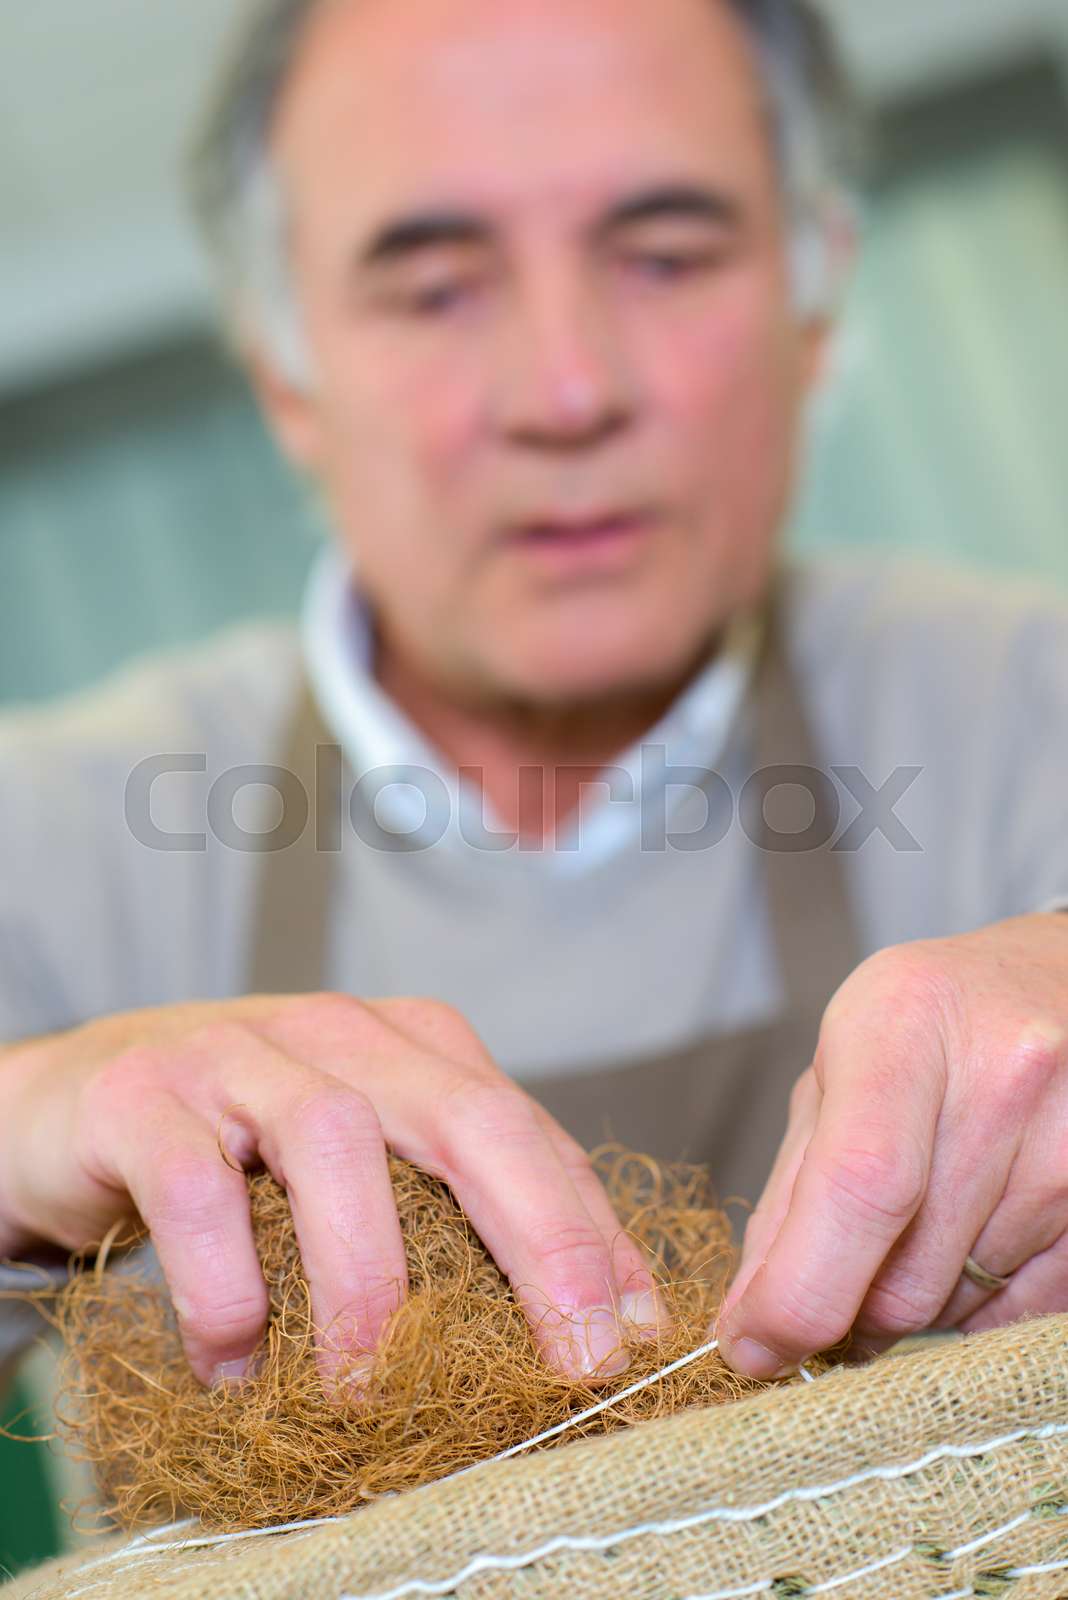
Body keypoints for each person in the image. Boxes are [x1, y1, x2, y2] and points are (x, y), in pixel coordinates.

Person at [3, 0, 1068, 1406]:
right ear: (285, 373)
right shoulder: (45, 839)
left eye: (667, 257)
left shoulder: (1030, 704)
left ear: (814, 308)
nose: (567, 392)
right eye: (436, 288)